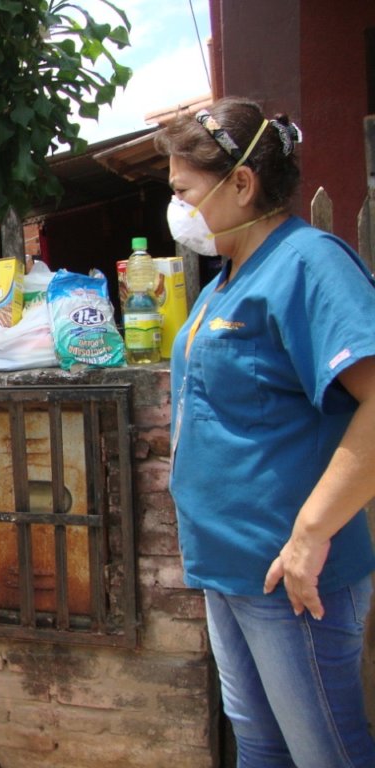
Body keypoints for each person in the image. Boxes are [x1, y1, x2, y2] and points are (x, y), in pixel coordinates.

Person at [158, 97, 375, 766]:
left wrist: (310, 536)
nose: (177, 208)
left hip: (288, 573)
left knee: (323, 751)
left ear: (242, 183)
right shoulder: (226, 280)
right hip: (229, 568)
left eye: (184, 191)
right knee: (259, 742)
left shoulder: (309, 263)